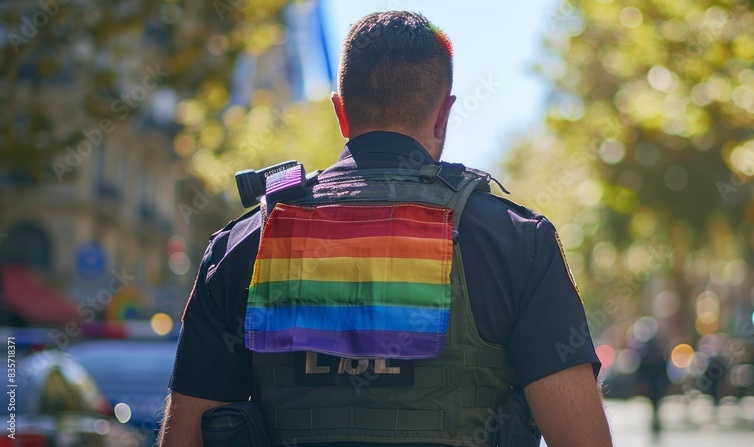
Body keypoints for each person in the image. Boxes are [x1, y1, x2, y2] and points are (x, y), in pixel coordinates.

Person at [157, 11, 613, 447]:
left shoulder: (242, 247)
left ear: (341, 113)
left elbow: (186, 437)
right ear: (443, 114)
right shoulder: (518, 244)